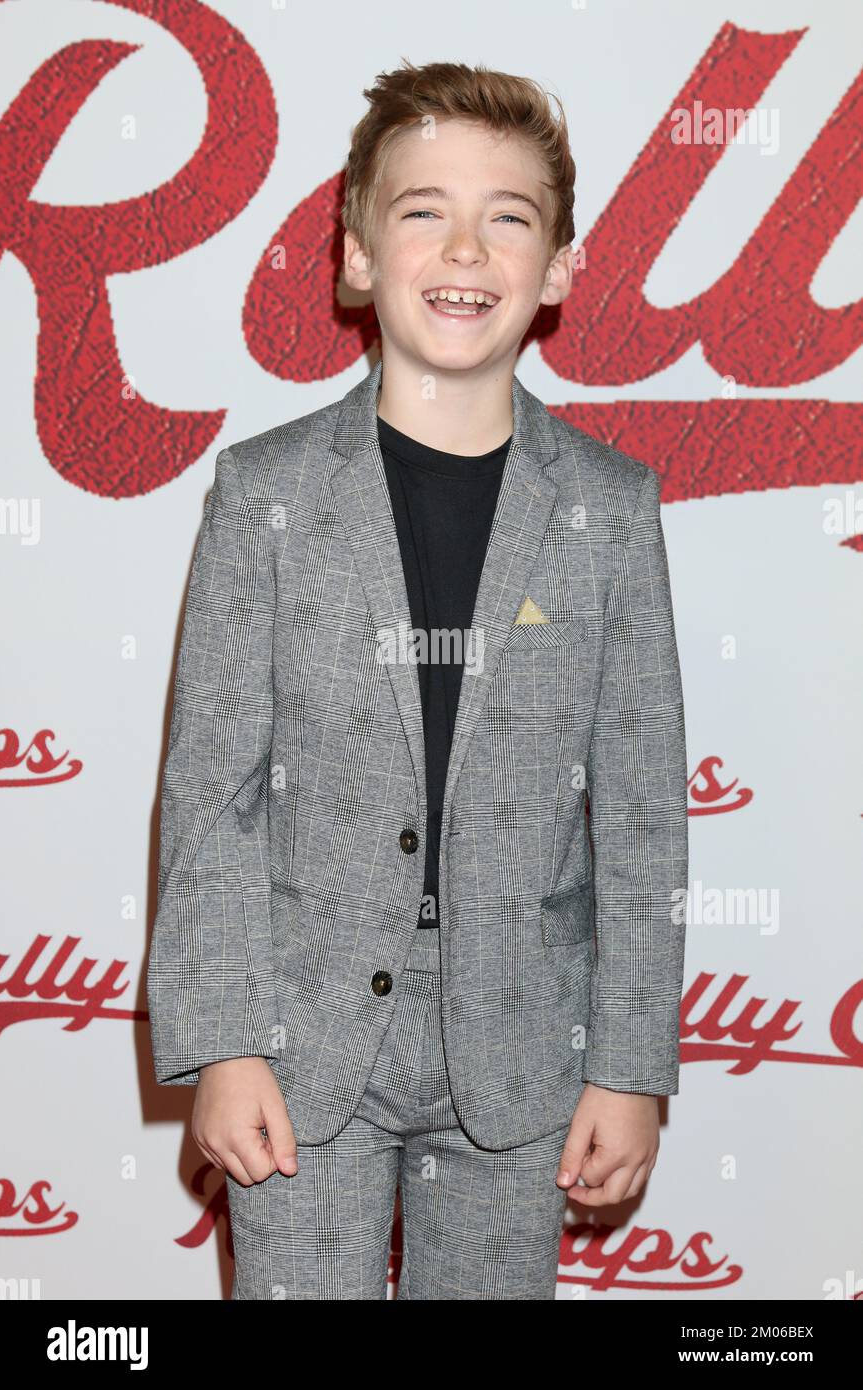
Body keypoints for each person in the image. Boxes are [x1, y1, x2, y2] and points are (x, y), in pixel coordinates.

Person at [146, 59, 689, 1301]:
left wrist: (628, 1064)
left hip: (523, 1039)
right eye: (422, 210)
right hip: (296, 1034)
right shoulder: (265, 492)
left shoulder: (609, 509)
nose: (464, 249)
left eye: (508, 218)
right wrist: (222, 1041)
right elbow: (212, 793)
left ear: (557, 270)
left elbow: (643, 811)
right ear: (355, 255)